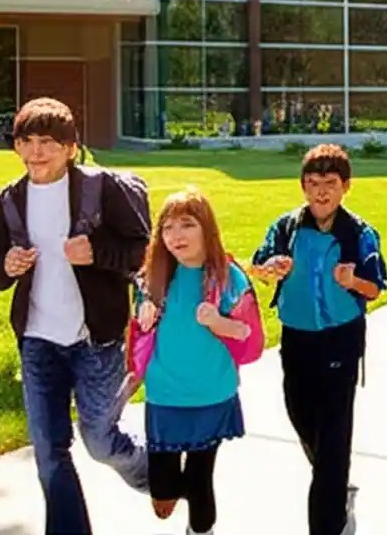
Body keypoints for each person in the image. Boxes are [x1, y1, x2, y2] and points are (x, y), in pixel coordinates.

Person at [0, 97, 150, 535]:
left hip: (96, 341)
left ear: (71, 147)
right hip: (37, 341)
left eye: (49, 143)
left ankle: (153, 470)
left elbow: (142, 252)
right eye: (27, 141)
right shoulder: (9, 202)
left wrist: (97, 254)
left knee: (100, 442)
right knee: (49, 452)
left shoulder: (102, 190)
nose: (37, 152)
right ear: (17, 146)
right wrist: (6, 266)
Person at [250, 144, 387, 535]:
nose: (321, 192)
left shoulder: (357, 233)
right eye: (313, 184)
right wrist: (270, 268)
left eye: (330, 183)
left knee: (333, 432)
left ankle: (328, 518)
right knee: (301, 417)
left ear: (346, 186)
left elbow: (375, 287)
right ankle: (334, 477)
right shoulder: (287, 227)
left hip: (340, 341)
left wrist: (352, 281)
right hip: (296, 339)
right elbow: (259, 264)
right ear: (303, 187)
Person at [133, 189, 257, 535]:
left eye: (187, 225)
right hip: (164, 394)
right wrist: (143, 314)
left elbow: (248, 333)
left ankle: (201, 531)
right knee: (163, 492)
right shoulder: (153, 277)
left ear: (207, 229)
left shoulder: (228, 277)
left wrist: (219, 322)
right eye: (168, 228)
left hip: (211, 393)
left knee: (200, 478)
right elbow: (140, 323)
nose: (176, 235)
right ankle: (174, 491)